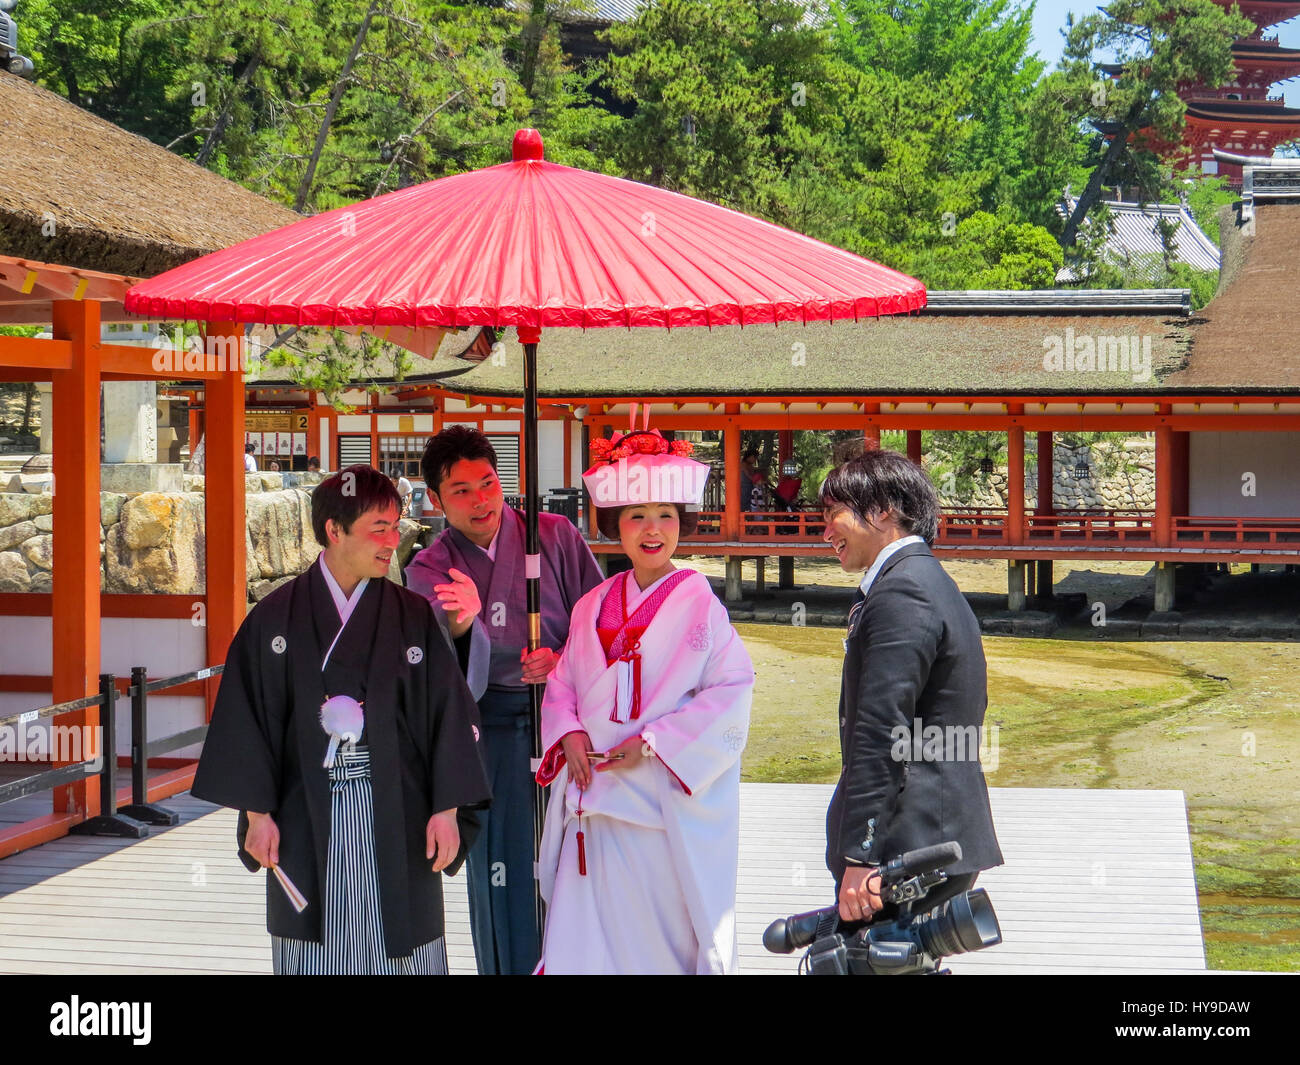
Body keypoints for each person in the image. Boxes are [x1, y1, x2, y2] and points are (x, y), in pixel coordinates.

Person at [191, 464, 492, 974]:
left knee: (404, 943)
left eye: (396, 528)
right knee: (313, 943)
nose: (392, 541)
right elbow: (249, 721)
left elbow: (448, 714)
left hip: (399, 807)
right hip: (303, 810)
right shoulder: (274, 619)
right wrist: (256, 814)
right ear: (334, 530)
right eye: (379, 529)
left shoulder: (413, 616)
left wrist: (447, 808)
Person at [535, 422, 754, 974]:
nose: (651, 529)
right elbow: (562, 685)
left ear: (683, 523)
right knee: (588, 942)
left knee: (655, 945)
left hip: (658, 806)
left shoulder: (701, 604)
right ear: (615, 525)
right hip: (595, 803)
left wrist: (655, 742)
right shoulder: (592, 604)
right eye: (636, 515)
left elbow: (732, 691)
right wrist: (571, 733)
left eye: (666, 515)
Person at [405, 426, 603, 976]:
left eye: (488, 482)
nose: (481, 500)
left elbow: (601, 624)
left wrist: (563, 659)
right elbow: (434, 674)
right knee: (504, 865)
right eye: (461, 490)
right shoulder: (428, 568)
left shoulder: (555, 535)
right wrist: (469, 628)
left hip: (564, 723)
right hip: (487, 732)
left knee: (580, 859)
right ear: (437, 501)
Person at [820, 448, 1002, 927]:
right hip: (940, 832)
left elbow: (882, 730)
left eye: (834, 513)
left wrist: (860, 854)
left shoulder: (903, 591)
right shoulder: (932, 580)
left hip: (907, 847)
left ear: (882, 509)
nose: (826, 532)